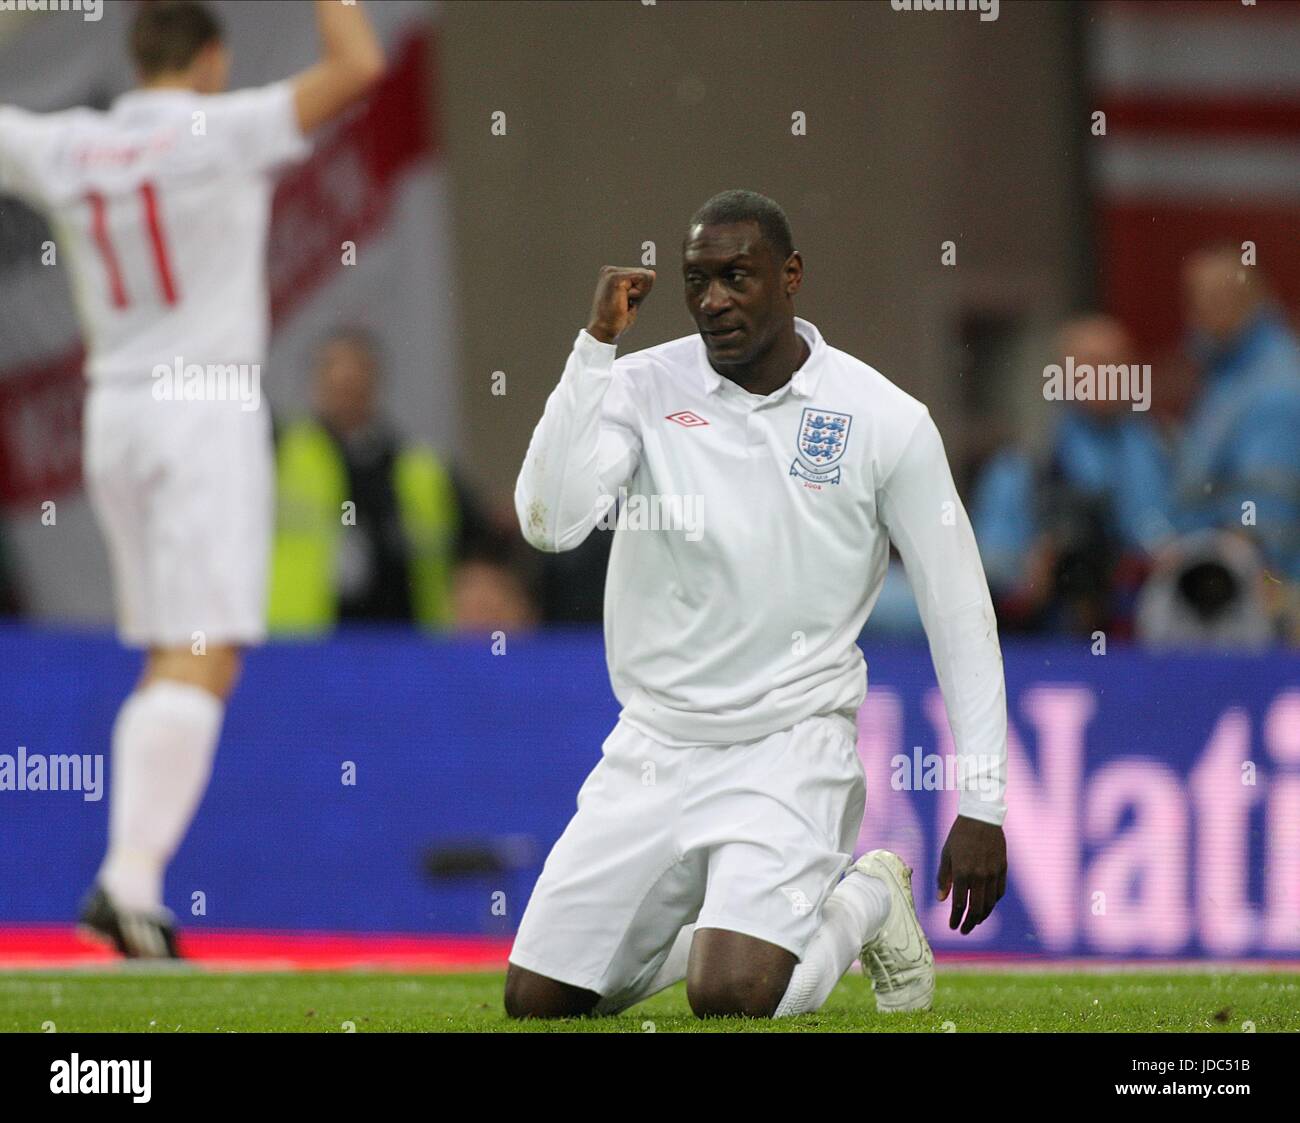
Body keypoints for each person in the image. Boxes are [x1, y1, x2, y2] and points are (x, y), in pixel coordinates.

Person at [507, 190, 1009, 1020]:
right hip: (654, 745)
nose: (713, 301)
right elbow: (551, 522)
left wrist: (983, 801)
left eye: (737, 276)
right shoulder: (639, 385)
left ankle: (867, 901)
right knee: (538, 1005)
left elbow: (960, 613)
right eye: (696, 281)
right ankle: (724, 930)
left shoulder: (885, 419)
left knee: (734, 996)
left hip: (790, 746)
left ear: (792, 275)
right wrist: (594, 348)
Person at [0, 0, 384, 957]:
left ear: (135, 60)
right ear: (210, 59)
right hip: (203, 413)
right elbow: (360, 65)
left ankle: (131, 881)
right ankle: (128, 883)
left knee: (172, 650)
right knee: (203, 651)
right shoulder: (228, 126)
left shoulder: (69, 146)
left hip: (115, 415)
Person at [267, 328, 490, 632]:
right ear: (316, 383)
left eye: (357, 376)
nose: (346, 388)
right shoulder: (280, 453)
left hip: (406, 646)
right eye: (335, 375)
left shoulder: (420, 468)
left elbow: (477, 547)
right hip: (302, 647)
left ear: (375, 381)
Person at [971, 314, 1173, 636]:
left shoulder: (1162, 451)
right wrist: (1031, 571)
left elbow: (1181, 535)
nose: (1105, 376)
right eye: (1091, 365)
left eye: (1116, 364)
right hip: (1047, 642)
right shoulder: (1026, 462)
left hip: (1142, 636)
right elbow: (984, 565)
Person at [1174, 245, 1300, 583]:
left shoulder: (1275, 387)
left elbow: (1263, 517)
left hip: (1255, 597)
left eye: (1212, 300)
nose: (1196, 314)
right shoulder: (1226, 380)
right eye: (1194, 300)